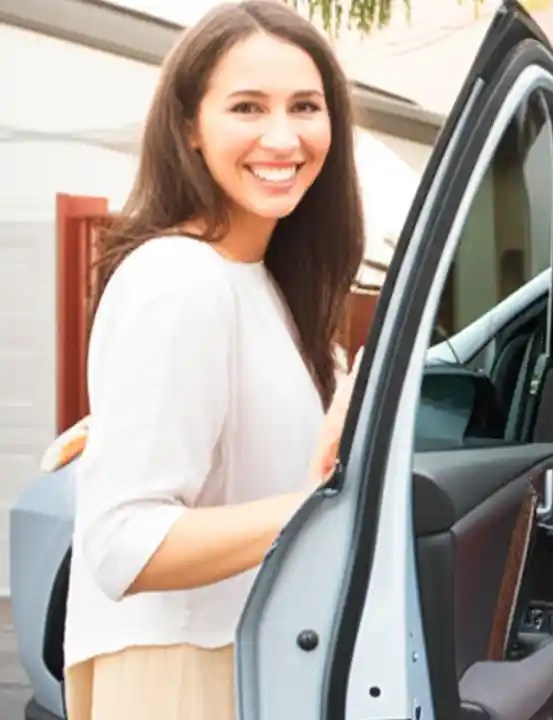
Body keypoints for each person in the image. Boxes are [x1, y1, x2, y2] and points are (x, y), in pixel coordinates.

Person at [61, 3, 364, 719]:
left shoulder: (270, 285)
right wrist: (327, 506)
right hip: (184, 677)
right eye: (247, 107)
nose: (282, 137)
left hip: (253, 659)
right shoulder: (180, 279)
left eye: (305, 106)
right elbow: (124, 544)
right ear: (190, 127)